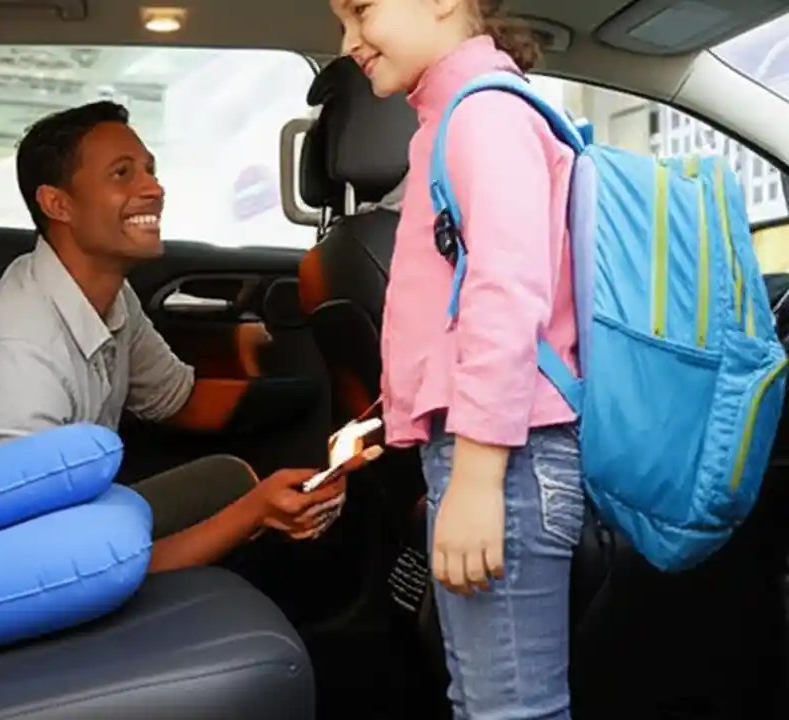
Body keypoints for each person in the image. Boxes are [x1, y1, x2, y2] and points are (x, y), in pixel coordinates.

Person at [0, 100, 381, 576]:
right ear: (58, 204)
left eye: (150, 171)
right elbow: (44, 568)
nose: (154, 188)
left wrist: (312, 402)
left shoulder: (106, 294)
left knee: (231, 477)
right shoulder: (18, 359)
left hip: (74, 515)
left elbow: (176, 399)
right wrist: (254, 513)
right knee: (248, 510)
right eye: (122, 174)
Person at [333, 0, 584, 717]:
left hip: (508, 459)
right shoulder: (449, 122)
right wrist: (387, 423)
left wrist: (477, 479)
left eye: (360, 10)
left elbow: (506, 296)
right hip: (495, 453)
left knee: (508, 707)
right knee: (484, 699)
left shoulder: (484, 117)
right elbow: (444, 316)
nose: (348, 40)